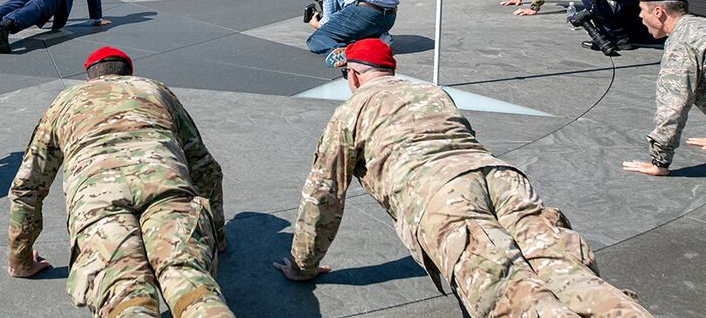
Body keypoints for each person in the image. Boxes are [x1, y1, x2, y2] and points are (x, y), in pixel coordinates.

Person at [275, 38, 653, 318]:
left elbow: (323, 194)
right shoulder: (432, 92)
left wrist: (302, 264)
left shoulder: (351, 112)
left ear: (354, 76)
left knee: (516, 297)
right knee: (572, 275)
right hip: (502, 178)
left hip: (441, 194)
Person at [7, 47, 234, 317]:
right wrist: (216, 236)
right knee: (194, 288)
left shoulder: (64, 102)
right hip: (167, 189)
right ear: (130, 73)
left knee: (125, 297)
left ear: (89, 77)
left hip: (98, 204)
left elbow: (27, 187)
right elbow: (205, 168)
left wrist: (20, 258)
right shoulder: (156, 90)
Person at [623, 0, 706, 177]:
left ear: (659, 12)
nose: (640, 16)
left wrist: (659, 161)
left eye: (642, 10)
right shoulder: (699, 26)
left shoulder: (680, 43)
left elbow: (674, 105)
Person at [305, 0, 398, 63]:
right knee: (353, 34)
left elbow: (327, 20)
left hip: (365, 12)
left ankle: (347, 55)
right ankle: (379, 38)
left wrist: (315, 23)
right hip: (390, 16)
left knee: (316, 39)